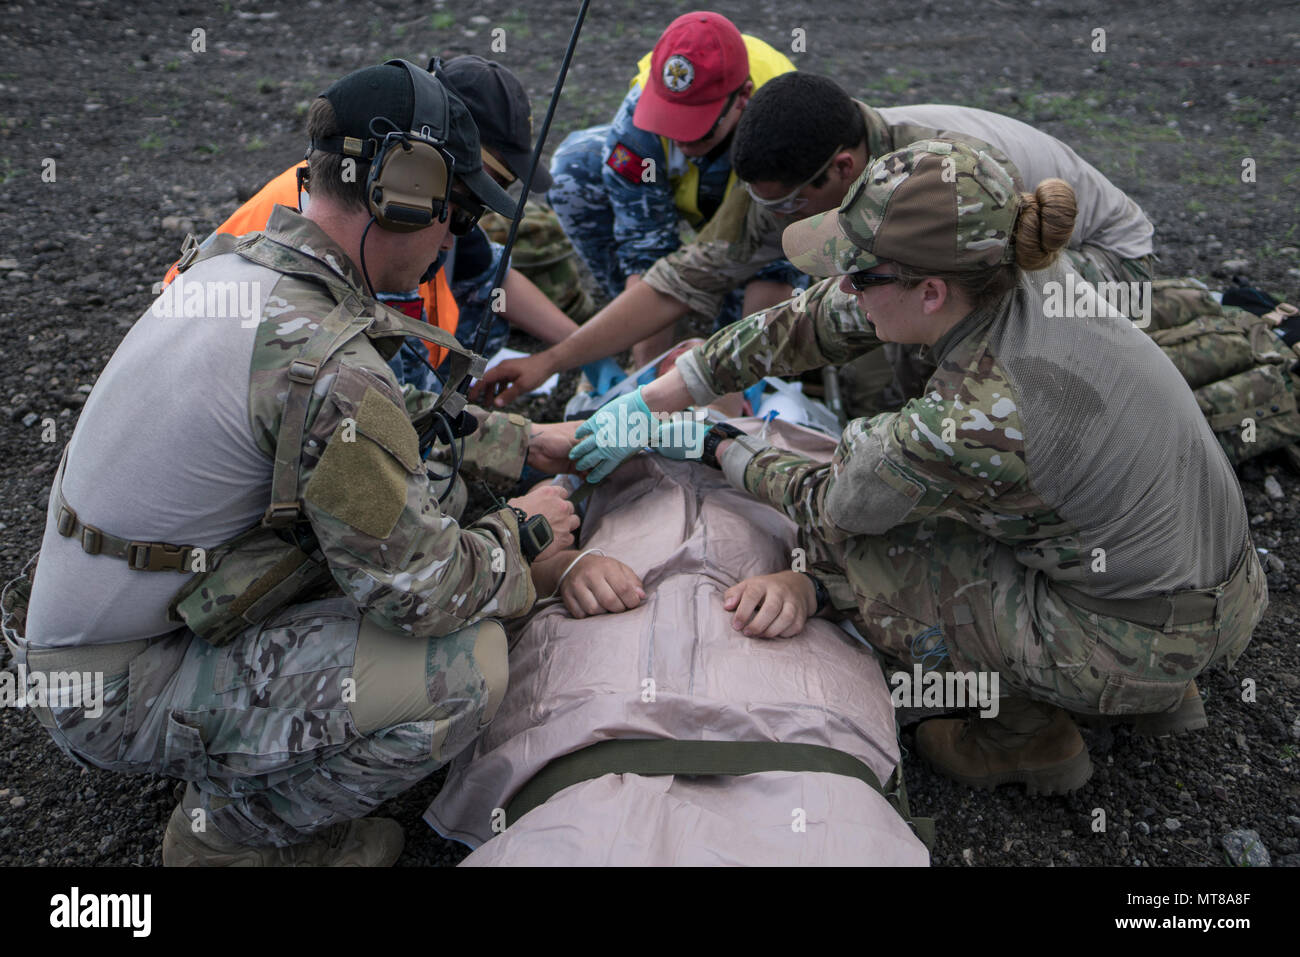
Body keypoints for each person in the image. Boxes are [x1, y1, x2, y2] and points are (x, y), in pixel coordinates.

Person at [1, 61, 659, 867]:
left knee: (427, 501)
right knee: (465, 668)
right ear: (403, 193)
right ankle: (230, 839)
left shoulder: (239, 268)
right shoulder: (328, 360)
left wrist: (524, 443)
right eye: (453, 214)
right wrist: (526, 534)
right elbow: (424, 593)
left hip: (85, 645)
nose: (457, 240)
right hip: (110, 695)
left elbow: (371, 427)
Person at [569, 140, 1267, 795]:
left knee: (865, 553)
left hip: (1144, 630)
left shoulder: (969, 415)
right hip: (1213, 577)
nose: (843, 285)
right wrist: (671, 386)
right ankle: (1162, 686)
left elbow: (831, 501)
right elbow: (817, 317)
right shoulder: (1020, 268)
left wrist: (716, 440)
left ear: (930, 291)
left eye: (859, 272)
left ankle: (1026, 734)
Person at [478, 72, 1156, 408]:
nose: (774, 218)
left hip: (1092, 259)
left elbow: (966, 287)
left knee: (929, 324)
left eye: (789, 204)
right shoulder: (798, 172)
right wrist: (554, 360)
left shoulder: (941, 176)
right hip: (967, 259)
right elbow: (684, 278)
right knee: (879, 316)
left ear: (842, 171)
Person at [162, 55, 583, 395]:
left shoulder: (369, 199)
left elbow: (490, 271)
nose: (471, 216)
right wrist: (514, 448)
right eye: (483, 181)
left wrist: (580, 349)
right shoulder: (372, 234)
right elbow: (388, 416)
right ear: (421, 166)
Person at [546, 10, 800, 366]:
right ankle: (640, 324)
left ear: (742, 98)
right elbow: (644, 253)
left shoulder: (787, 127)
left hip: (753, 206)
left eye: (697, 130)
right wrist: (649, 380)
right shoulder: (635, 126)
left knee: (753, 341)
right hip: (687, 193)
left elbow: (777, 258)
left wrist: (745, 367)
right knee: (576, 165)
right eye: (670, 122)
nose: (681, 139)